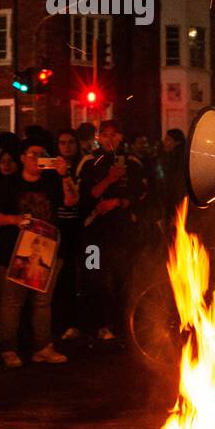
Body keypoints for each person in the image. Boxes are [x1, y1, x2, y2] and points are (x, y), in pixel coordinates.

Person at [0, 139, 76, 368]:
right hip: (15, 251)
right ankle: (8, 348)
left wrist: (65, 175)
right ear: (23, 158)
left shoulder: (52, 181)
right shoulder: (9, 184)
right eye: (32, 154)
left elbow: (71, 201)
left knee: (42, 302)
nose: (37, 158)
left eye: (41, 153)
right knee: (11, 302)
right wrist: (14, 220)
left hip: (45, 250)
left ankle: (42, 347)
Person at [78, 119, 150, 342]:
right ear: (99, 137)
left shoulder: (134, 163)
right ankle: (96, 323)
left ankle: (121, 323)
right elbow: (84, 196)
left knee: (123, 278)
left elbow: (142, 195)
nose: (110, 138)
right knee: (94, 277)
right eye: (105, 134)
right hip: (94, 233)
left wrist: (119, 201)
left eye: (114, 134)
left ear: (121, 137)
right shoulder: (89, 162)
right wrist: (109, 180)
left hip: (123, 232)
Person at [53, 129, 85, 343]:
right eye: (62, 142)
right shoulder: (51, 167)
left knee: (87, 271)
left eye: (71, 142)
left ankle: (81, 320)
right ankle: (62, 321)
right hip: (59, 227)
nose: (67, 146)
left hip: (81, 227)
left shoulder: (84, 166)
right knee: (61, 275)